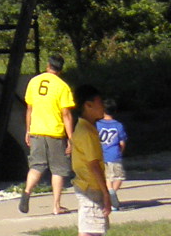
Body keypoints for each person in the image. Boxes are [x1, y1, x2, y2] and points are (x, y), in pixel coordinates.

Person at [17, 56, 75, 216]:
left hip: (36, 130)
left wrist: (28, 130)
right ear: (61, 69)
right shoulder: (62, 86)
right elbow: (66, 115)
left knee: (36, 165)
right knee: (58, 169)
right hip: (55, 132)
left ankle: (27, 191)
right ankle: (56, 206)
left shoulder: (34, 82)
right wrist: (71, 138)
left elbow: (29, 108)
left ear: (48, 65)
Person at [68, 89, 112, 234]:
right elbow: (93, 164)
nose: (103, 107)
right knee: (91, 229)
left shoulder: (85, 128)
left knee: (91, 227)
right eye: (99, 103)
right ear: (88, 105)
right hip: (91, 187)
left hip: (88, 185)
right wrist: (106, 193)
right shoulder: (86, 132)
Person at [95, 95, 125, 208]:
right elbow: (122, 142)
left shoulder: (97, 125)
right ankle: (112, 192)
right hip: (114, 155)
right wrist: (120, 151)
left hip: (101, 155)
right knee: (118, 177)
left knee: (107, 177)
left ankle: (108, 194)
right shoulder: (118, 125)